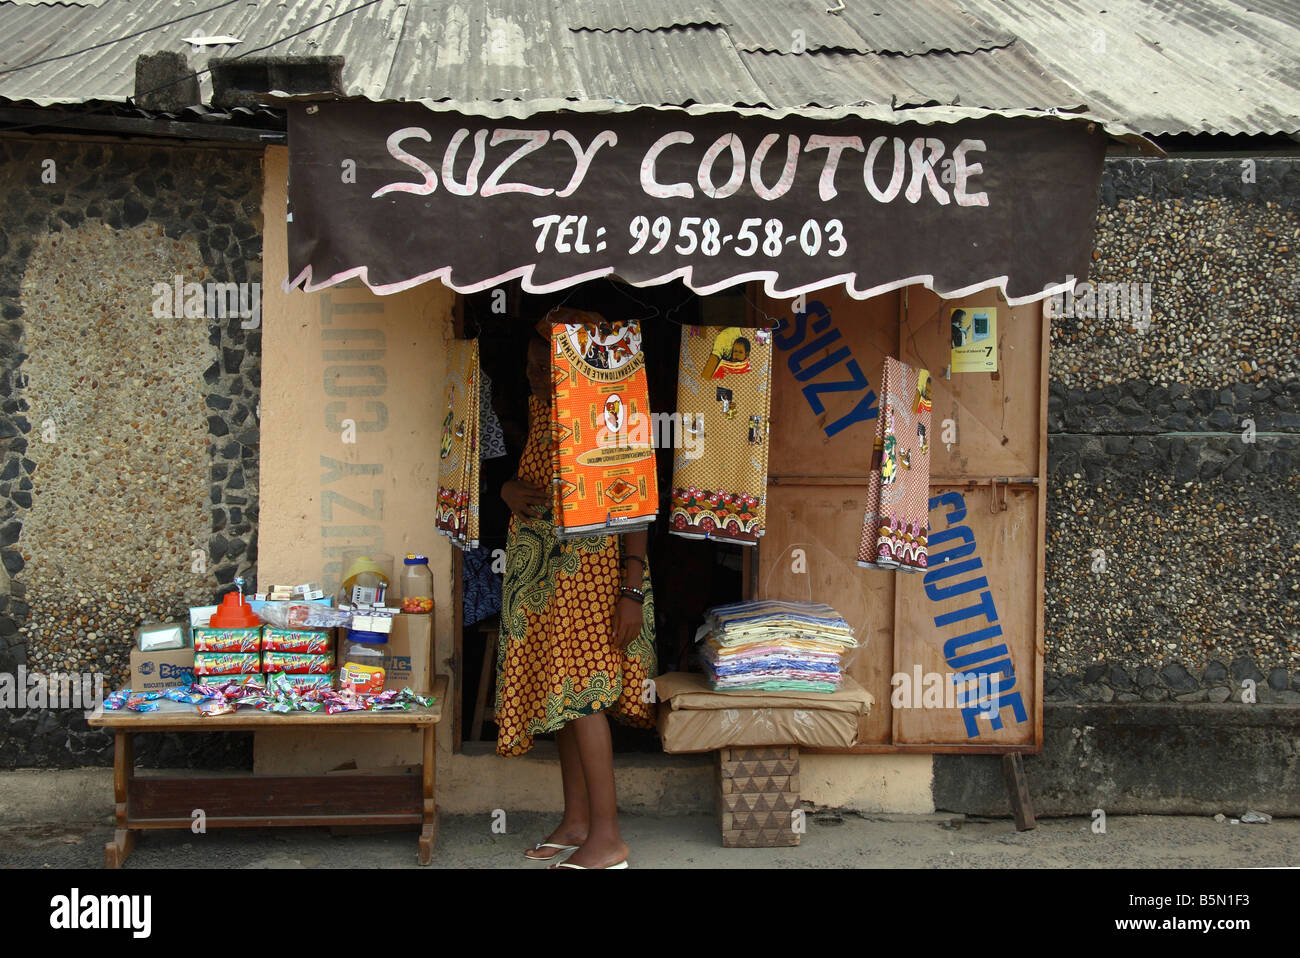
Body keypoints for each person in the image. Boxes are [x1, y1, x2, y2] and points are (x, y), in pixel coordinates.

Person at [496, 324, 657, 869]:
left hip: (593, 578)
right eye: (528, 366)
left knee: (586, 696)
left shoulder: (604, 412)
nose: (532, 375)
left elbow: (635, 503)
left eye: (543, 367)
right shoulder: (542, 409)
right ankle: (578, 821)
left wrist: (630, 589)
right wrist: (505, 489)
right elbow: (525, 475)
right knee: (563, 696)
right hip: (545, 578)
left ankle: (608, 840)